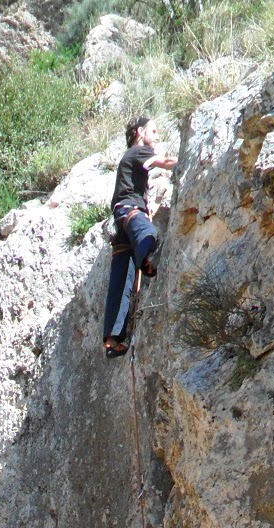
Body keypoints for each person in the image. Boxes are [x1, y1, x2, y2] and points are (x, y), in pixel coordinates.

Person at [102, 116, 177, 359]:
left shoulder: (130, 159)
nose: (156, 137)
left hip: (121, 219)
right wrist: (185, 160)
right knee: (148, 234)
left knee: (122, 280)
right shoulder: (137, 151)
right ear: (140, 131)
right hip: (130, 213)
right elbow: (164, 162)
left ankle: (113, 340)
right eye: (153, 131)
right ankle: (145, 259)